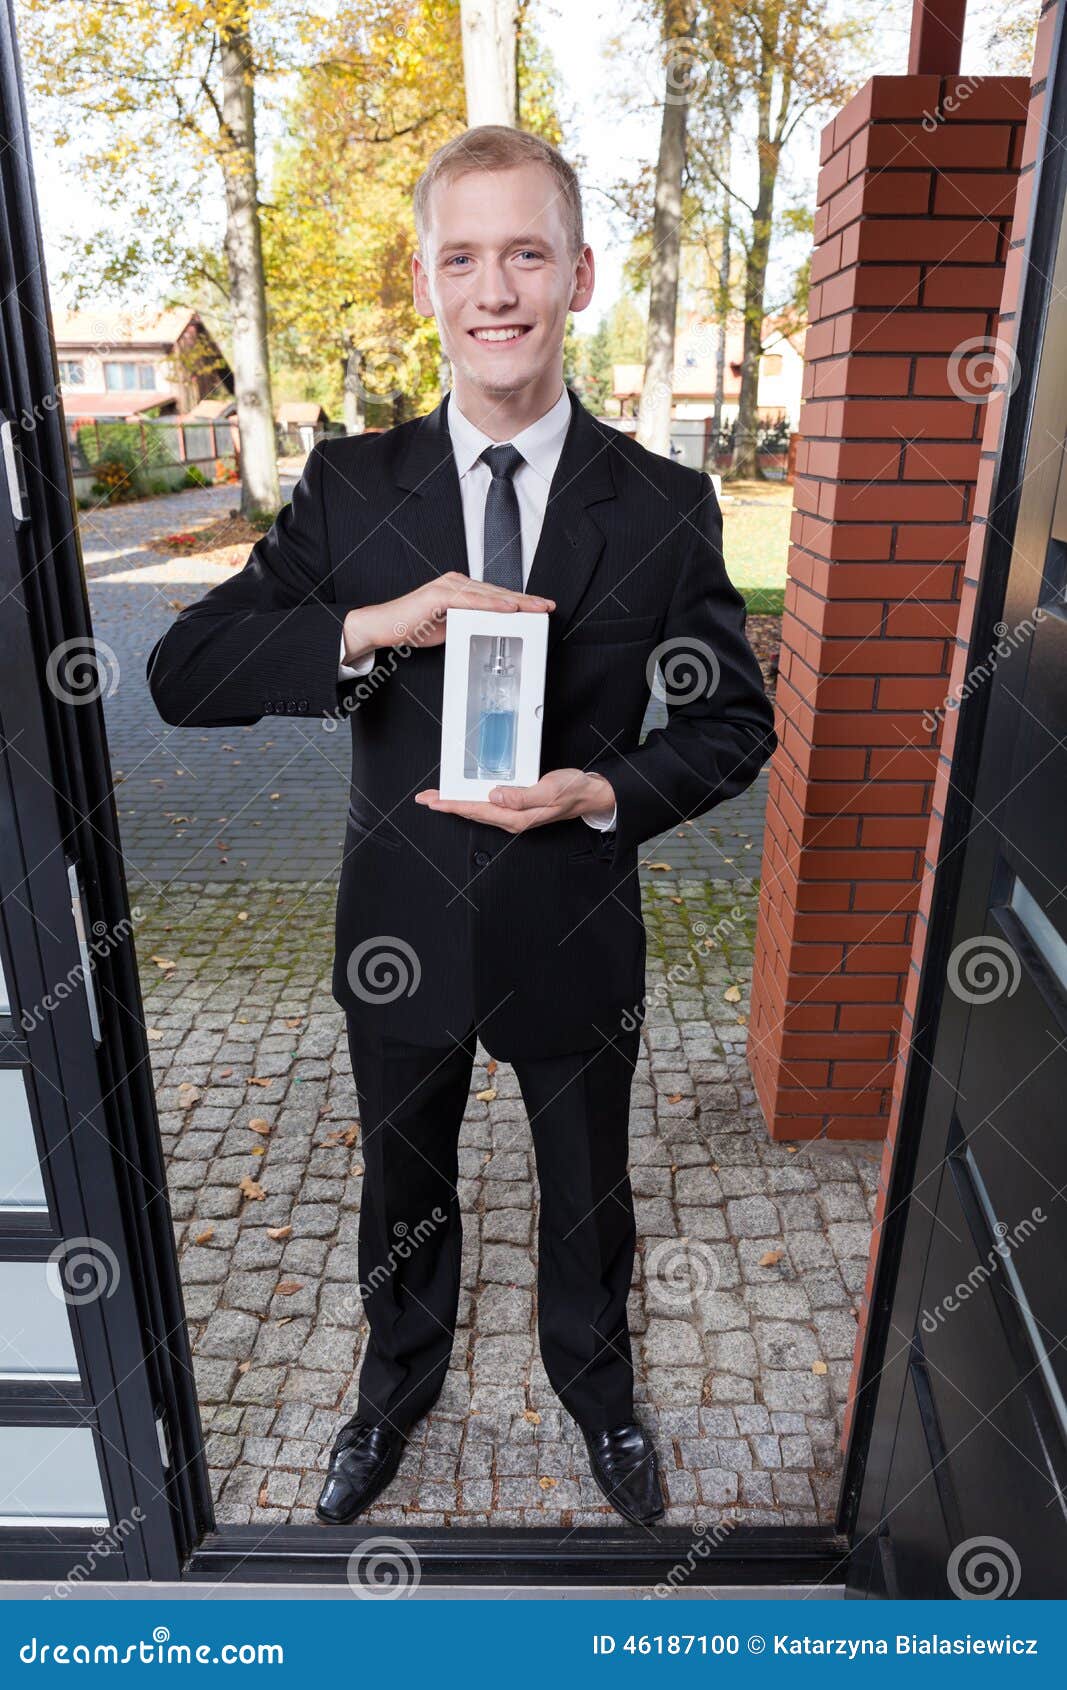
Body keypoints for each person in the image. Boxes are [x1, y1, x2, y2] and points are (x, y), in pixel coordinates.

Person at [147, 124, 776, 1530]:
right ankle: (396, 1383)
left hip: (573, 925)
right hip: (402, 932)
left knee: (589, 1194)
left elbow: (734, 726)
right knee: (404, 1191)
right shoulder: (350, 487)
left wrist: (602, 793)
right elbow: (183, 676)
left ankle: (598, 1384)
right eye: (464, 257)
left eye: (528, 254)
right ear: (429, 279)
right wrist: (375, 623)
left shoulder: (663, 504)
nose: (496, 289)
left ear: (579, 276)